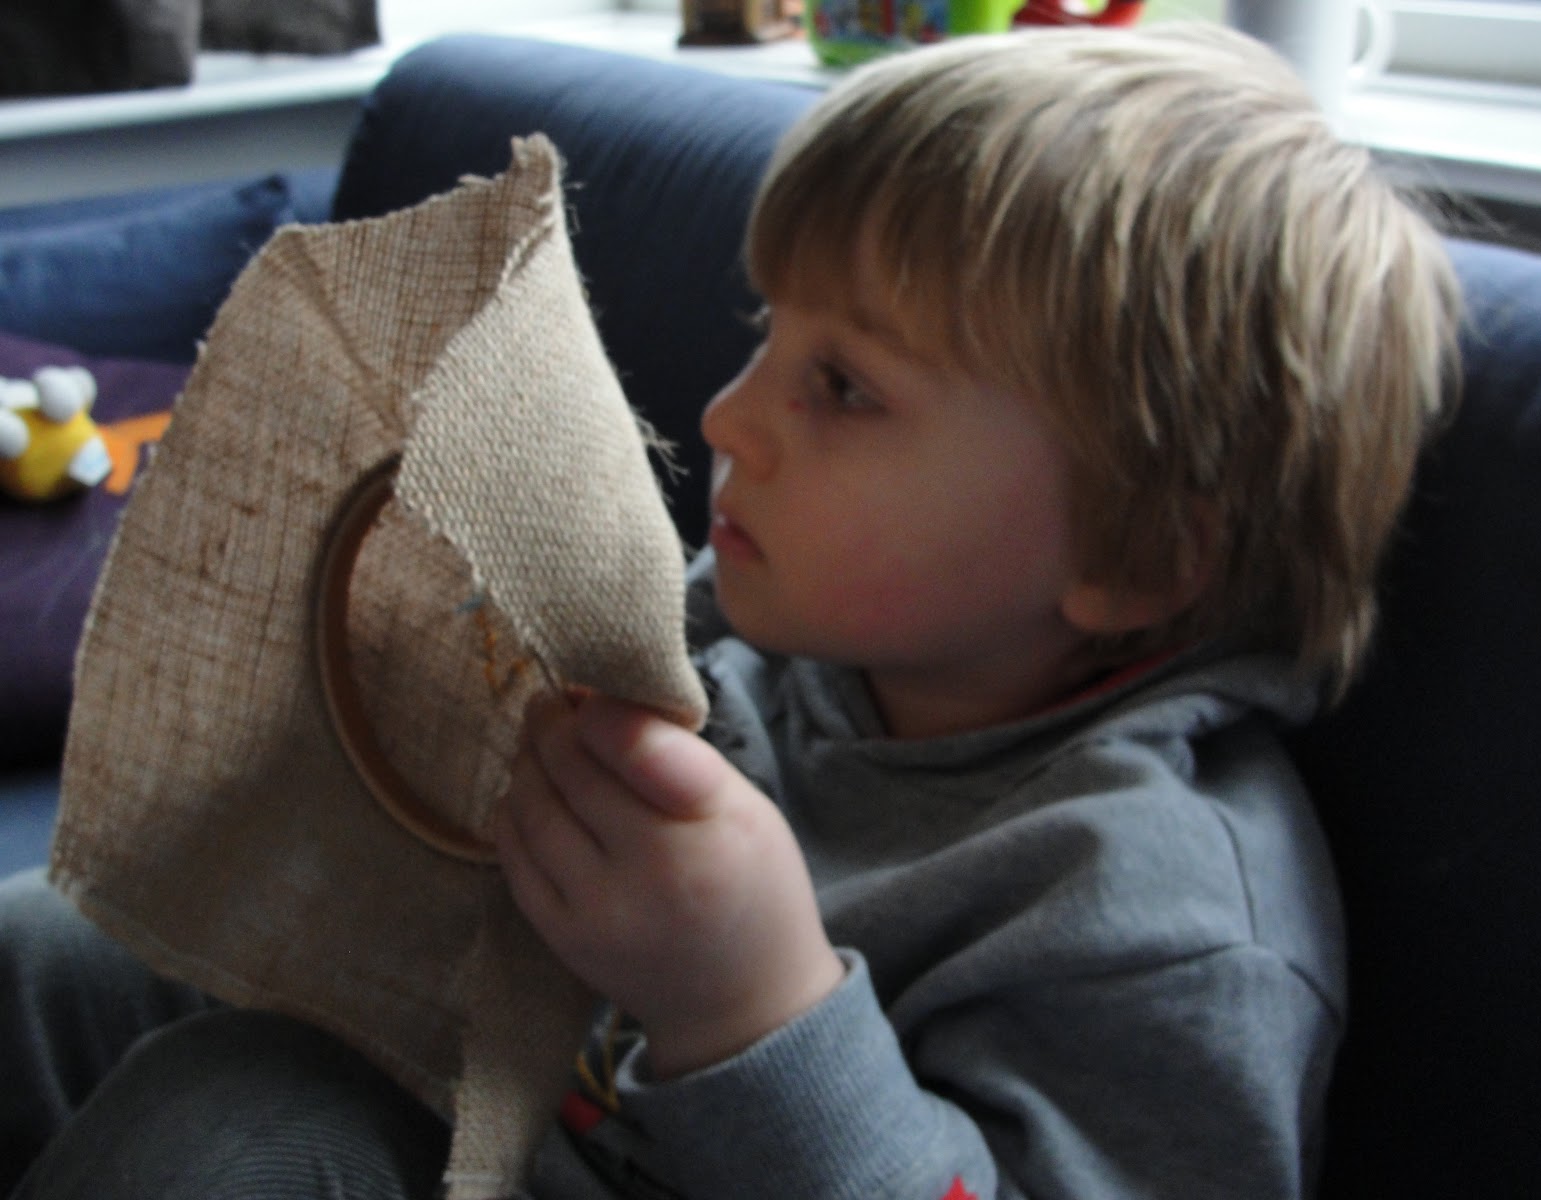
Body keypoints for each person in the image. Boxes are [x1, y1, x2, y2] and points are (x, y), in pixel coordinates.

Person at [0, 21, 1459, 1200]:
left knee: (237, 1128)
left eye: (845, 388)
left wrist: (755, 1012)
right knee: (59, 946)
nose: (727, 416)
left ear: (1138, 560)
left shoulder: (1157, 916)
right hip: (488, 1113)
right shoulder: (763, 635)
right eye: (773, 333)